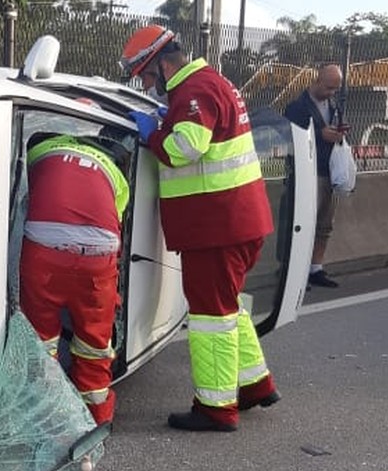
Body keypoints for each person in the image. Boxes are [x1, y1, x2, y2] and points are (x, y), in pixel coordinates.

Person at [120, 24, 278, 433]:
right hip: (235, 221)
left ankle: (215, 408)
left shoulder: (194, 91)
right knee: (228, 308)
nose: (148, 84)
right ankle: (255, 384)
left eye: (147, 75)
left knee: (211, 317)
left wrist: (154, 135)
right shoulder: (211, 83)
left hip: (216, 227)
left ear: (160, 62)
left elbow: (184, 149)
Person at [19, 130, 130, 425]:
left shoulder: (36, 153)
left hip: (45, 247)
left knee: (41, 337)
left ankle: (42, 417)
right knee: (94, 341)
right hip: (99, 251)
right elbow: (117, 221)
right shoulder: (113, 169)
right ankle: (94, 419)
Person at [284, 63, 347, 289]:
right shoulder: (297, 107)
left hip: (330, 169)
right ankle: (294, 273)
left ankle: (315, 268)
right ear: (317, 80)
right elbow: (290, 138)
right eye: (329, 87)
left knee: (324, 224)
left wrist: (339, 133)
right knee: (303, 225)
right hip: (307, 172)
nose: (331, 93)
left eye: (335, 89)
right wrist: (320, 135)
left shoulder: (334, 105)